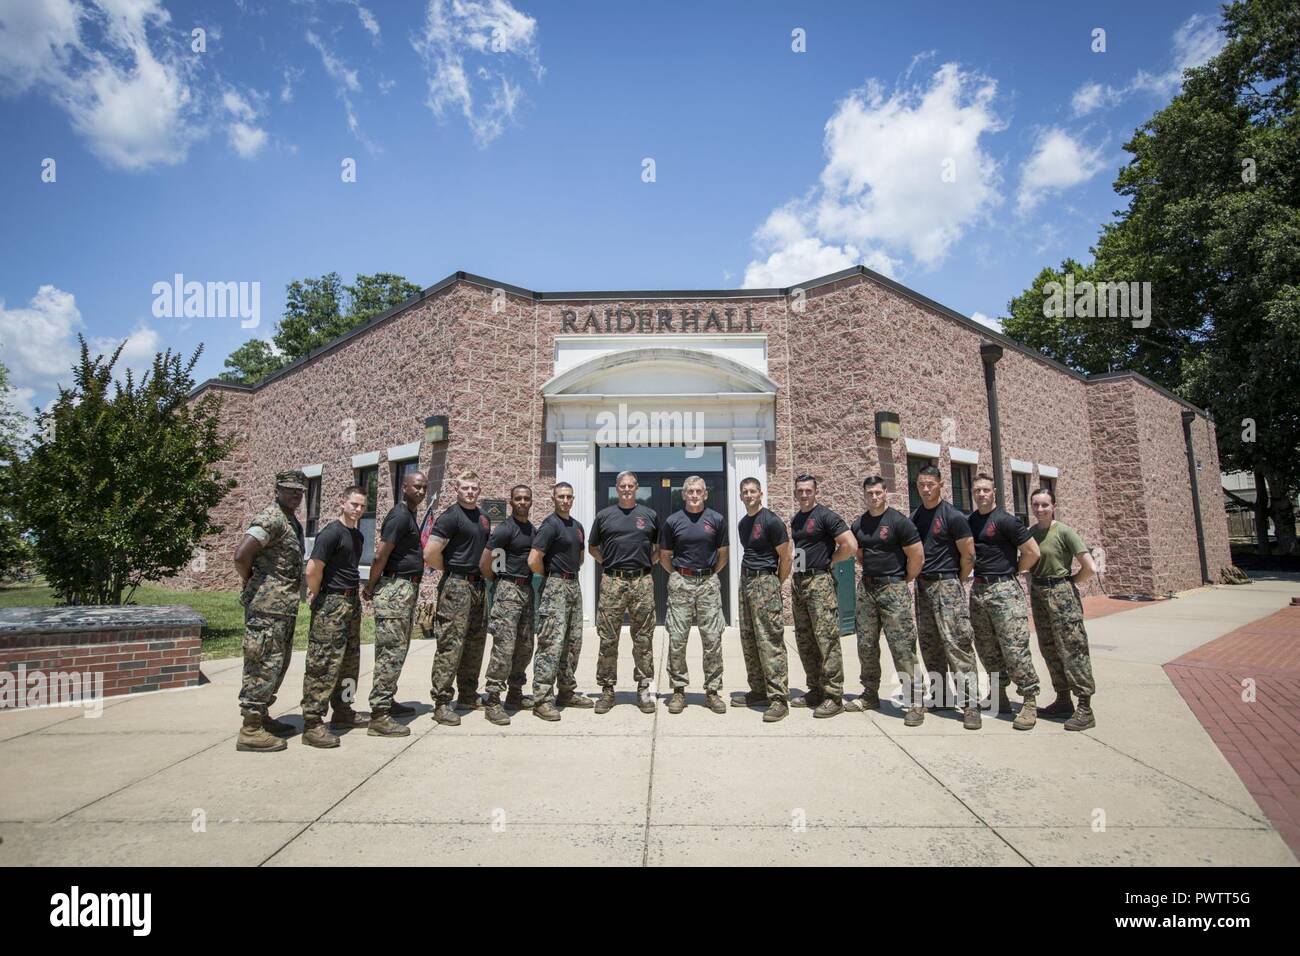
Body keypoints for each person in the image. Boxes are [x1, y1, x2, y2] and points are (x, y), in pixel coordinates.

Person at [232, 469, 307, 753]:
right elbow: (241, 555)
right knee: (262, 662)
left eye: (300, 491)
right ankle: (250, 728)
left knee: (276, 662)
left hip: (282, 609)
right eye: (290, 490)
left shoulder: (290, 521)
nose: (296, 495)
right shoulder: (271, 518)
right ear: (277, 490)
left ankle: (261, 715)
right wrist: (255, 582)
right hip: (266, 609)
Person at [967, 473, 1042, 730]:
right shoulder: (970, 521)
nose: (981, 494)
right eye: (977, 490)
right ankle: (999, 696)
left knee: (1014, 647)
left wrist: (1013, 570)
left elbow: (1033, 551)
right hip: (978, 591)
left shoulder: (1007, 521)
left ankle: (1029, 700)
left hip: (1004, 591)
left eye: (985, 490)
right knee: (986, 646)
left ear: (994, 492)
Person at [909, 465, 982, 730]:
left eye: (930, 484)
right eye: (921, 485)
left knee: (958, 644)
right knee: (930, 644)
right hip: (923, 586)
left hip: (947, 584)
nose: (925, 489)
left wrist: (956, 581)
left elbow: (969, 555)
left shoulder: (953, 516)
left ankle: (971, 704)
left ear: (940, 484)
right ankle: (939, 696)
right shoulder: (915, 517)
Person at [300, 485, 370, 748]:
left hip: (351, 604)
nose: (358, 510)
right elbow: (312, 570)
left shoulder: (357, 536)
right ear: (343, 502)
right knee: (324, 663)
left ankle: (344, 710)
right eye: (354, 504)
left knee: (350, 661)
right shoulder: (330, 533)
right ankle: (313, 722)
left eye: (362, 506)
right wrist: (322, 596)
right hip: (331, 602)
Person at [852, 475, 926, 726]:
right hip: (868, 588)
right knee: (866, 644)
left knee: (903, 646)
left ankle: (915, 700)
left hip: (893, 588)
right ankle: (870, 693)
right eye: (869, 493)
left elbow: (916, 556)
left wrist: (903, 579)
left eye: (878, 493)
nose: (874, 497)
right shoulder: (859, 524)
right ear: (864, 495)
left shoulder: (899, 522)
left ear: (885, 493)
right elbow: (860, 555)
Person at [361, 470, 427, 737]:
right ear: (404, 487)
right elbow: (380, 554)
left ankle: (387, 699)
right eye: (416, 487)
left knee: (398, 649)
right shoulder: (399, 516)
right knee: (390, 652)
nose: (420, 492)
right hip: (395, 589)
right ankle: (379, 715)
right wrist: (370, 586)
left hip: (405, 588)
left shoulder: (408, 514)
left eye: (423, 487)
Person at [1027, 486, 1099, 731]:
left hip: (1061, 593)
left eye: (1044, 504)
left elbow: (1089, 566)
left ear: (1053, 506)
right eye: (1035, 504)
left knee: (1073, 648)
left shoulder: (1064, 531)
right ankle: (1063, 700)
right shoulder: (1031, 533)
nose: (1040, 509)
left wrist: (1070, 583)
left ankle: (1085, 707)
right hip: (1038, 593)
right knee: (1049, 647)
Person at [588, 471, 659, 714]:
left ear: (637, 487)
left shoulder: (649, 515)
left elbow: (660, 547)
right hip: (612, 582)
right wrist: (607, 564)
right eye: (622, 486)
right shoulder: (604, 516)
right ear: (616, 488)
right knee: (608, 638)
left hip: (641, 582)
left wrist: (648, 564)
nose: (626, 489)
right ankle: (607, 690)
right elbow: (592, 547)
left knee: (643, 639)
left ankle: (643, 687)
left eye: (630, 485)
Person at [425, 471, 490, 726]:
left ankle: (467, 694)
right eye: (466, 488)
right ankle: (441, 702)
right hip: (456, 586)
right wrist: (453, 570)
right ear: (457, 489)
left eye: (474, 488)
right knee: (450, 644)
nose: (470, 492)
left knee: (475, 642)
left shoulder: (483, 518)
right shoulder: (450, 517)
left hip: (477, 586)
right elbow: (430, 553)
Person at [789, 474, 857, 718]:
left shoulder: (826, 516)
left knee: (826, 639)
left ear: (816, 492)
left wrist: (831, 560)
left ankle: (834, 695)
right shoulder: (796, 519)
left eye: (808, 490)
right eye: (800, 491)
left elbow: (850, 544)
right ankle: (815, 688)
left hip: (819, 582)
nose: (804, 494)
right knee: (805, 639)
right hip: (800, 581)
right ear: (795, 493)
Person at [659, 476, 729, 714]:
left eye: (699, 491)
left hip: (708, 583)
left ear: (705, 494)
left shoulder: (717, 520)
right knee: (677, 639)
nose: (694, 495)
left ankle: (712, 691)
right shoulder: (672, 521)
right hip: (681, 583)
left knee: (712, 639)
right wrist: (680, 576)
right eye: (690, 491)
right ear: (683, 495)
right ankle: (678, 691)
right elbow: (665, 556)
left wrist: (707, 575)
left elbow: (723, 554)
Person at [528, 482, 595, 720]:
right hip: (555, 585)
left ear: (573, 499)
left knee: (572, 641)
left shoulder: (577, 526)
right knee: (550, 643)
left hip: (573, 585)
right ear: (554, 498)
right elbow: (534, 559)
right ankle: (542, 699)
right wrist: (549, 578)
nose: (565, 500)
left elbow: (580, 557)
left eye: (568, 497)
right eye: (561, 497)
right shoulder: (550, 525)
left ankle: (566, 691)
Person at [733, 477, 792, 722]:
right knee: (749, 638)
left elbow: (786, 557)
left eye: (752, 491)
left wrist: (775, 582)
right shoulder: (743, 524)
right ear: (740, 496)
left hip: (765, 581)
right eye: (745, 492)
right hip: (746, 582)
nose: (749, 495)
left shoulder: (772, 521)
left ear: (761, 493)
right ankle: (759, 690)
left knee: (770, 639)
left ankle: (779, 698)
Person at [479, 485, 538, 726]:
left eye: (526, 498)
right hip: (508, 590)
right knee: (504, 647)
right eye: (518, 499)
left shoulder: (532, 529)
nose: (522, 502)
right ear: (511, 502)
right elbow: (486, 563)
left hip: (527, 590)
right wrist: (500, 584)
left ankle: (515, 693)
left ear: (531, 501)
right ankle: (493, 699)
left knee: (525, 645)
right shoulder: (505, 529)